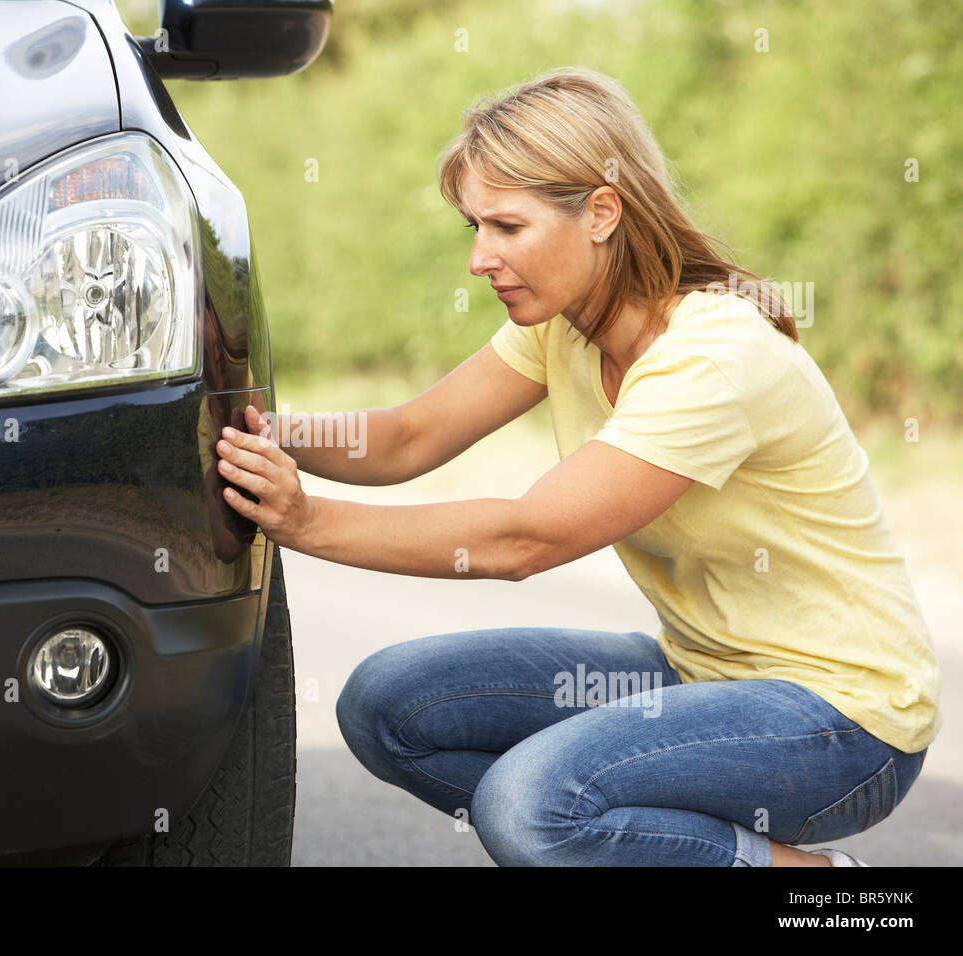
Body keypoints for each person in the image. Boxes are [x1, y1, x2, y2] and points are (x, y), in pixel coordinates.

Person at [212, 66, 940, 866]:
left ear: (601, 213)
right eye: (473, 229)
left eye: (507, 227)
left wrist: (307, 521)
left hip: (844, 721)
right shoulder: (564, 322)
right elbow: (405, 436)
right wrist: (242, 423)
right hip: (696, 672)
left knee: (530, 806)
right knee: (389, 705)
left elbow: (528, 540)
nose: (479, 260)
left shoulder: (714, 357)